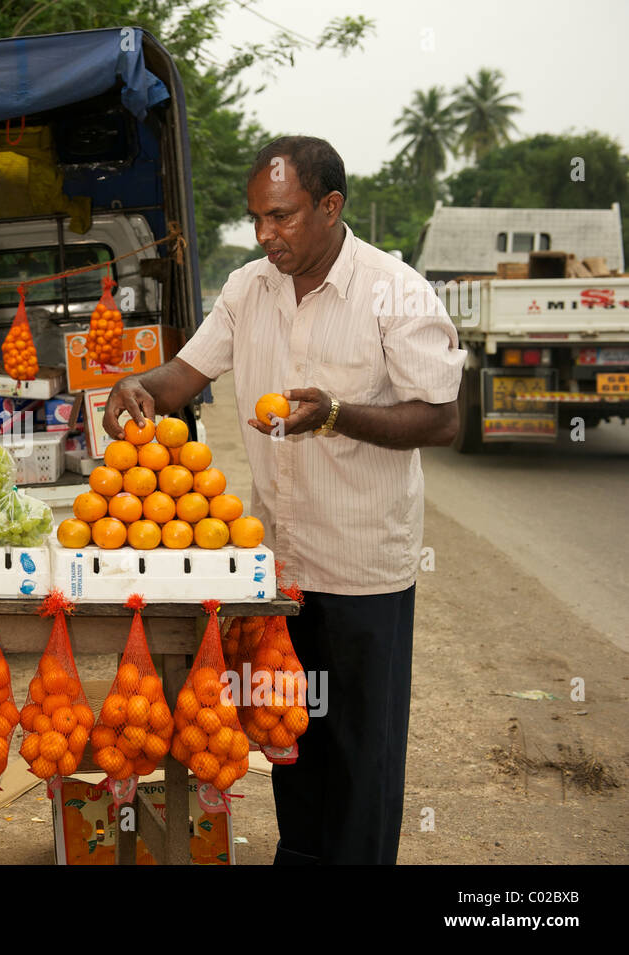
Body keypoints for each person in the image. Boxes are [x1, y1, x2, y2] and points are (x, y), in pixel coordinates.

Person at [103, 135, 466, 864]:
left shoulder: (392, 289)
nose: (266, 236)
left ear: (330, 207)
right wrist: (139, 388)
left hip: (363, 570)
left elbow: (444, 416)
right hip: (281, 576)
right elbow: (184, 373)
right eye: (257, 220)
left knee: (363, 759)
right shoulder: (248, 289)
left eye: (283, 217)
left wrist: (335, 413)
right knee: (289, 736)